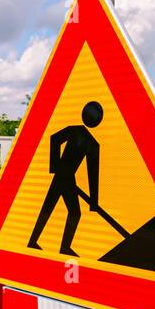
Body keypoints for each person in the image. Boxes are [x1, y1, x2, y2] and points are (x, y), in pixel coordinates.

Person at [28, 101, 103, 257]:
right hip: (64, 177)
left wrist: (94, 202)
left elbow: (92, 173)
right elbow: (54, 139)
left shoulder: (89, 141)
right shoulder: (88, 141)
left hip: (66, 177)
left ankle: (36, 242)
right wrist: (55, 167)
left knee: (50, 208)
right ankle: (59, 247)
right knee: (72, 212)